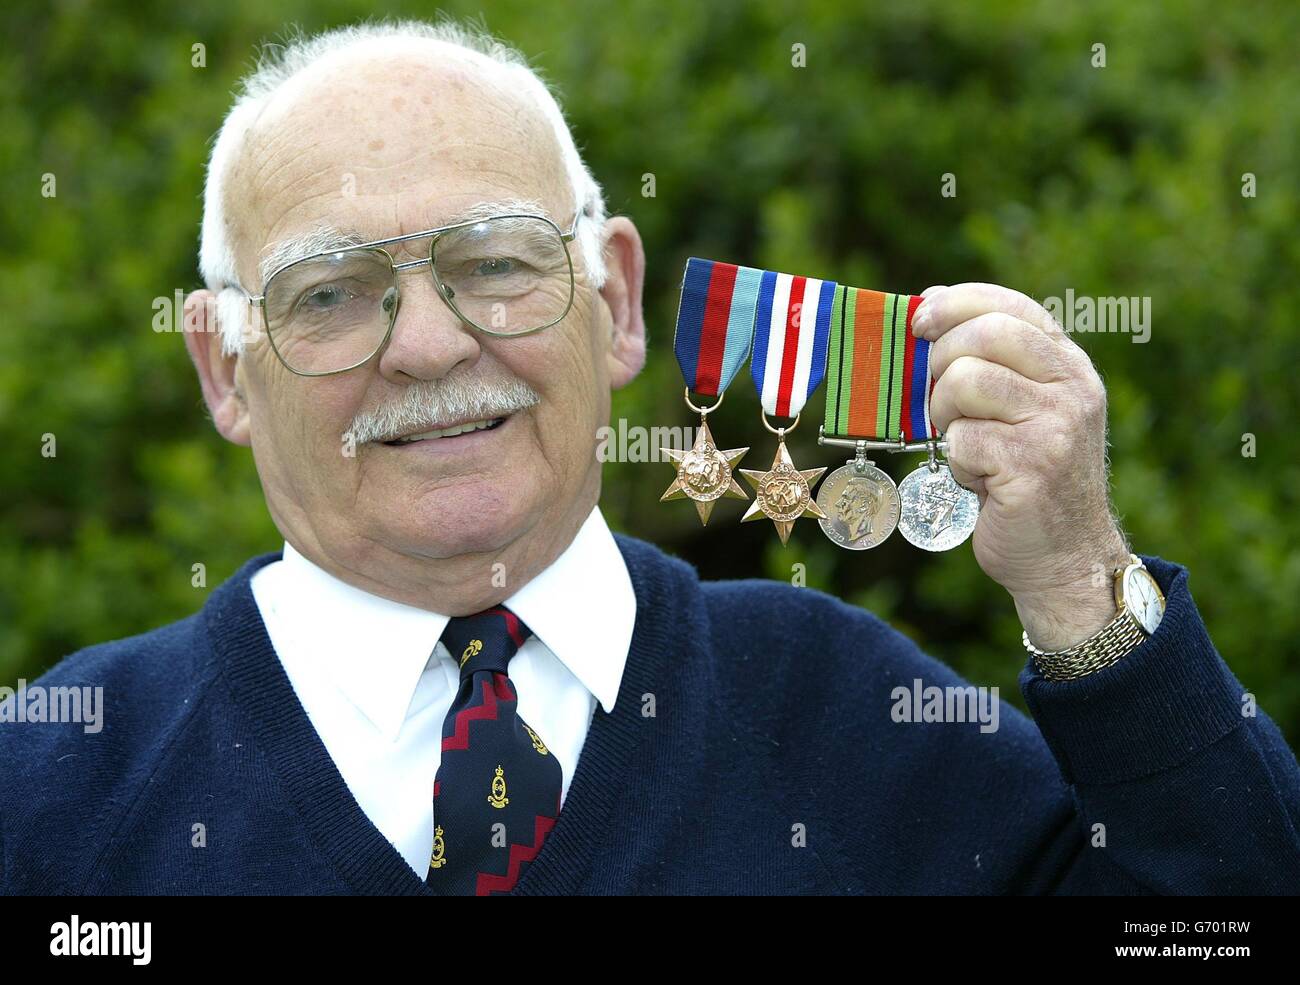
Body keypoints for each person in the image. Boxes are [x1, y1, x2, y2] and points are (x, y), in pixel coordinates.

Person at [2, 17, 1297, 895]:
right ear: (225, 369)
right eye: (330, 293)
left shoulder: (860, 726)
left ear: (617, 301)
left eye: (497, 261)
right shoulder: (51, 790)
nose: (430, 345)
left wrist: (1082, 583)